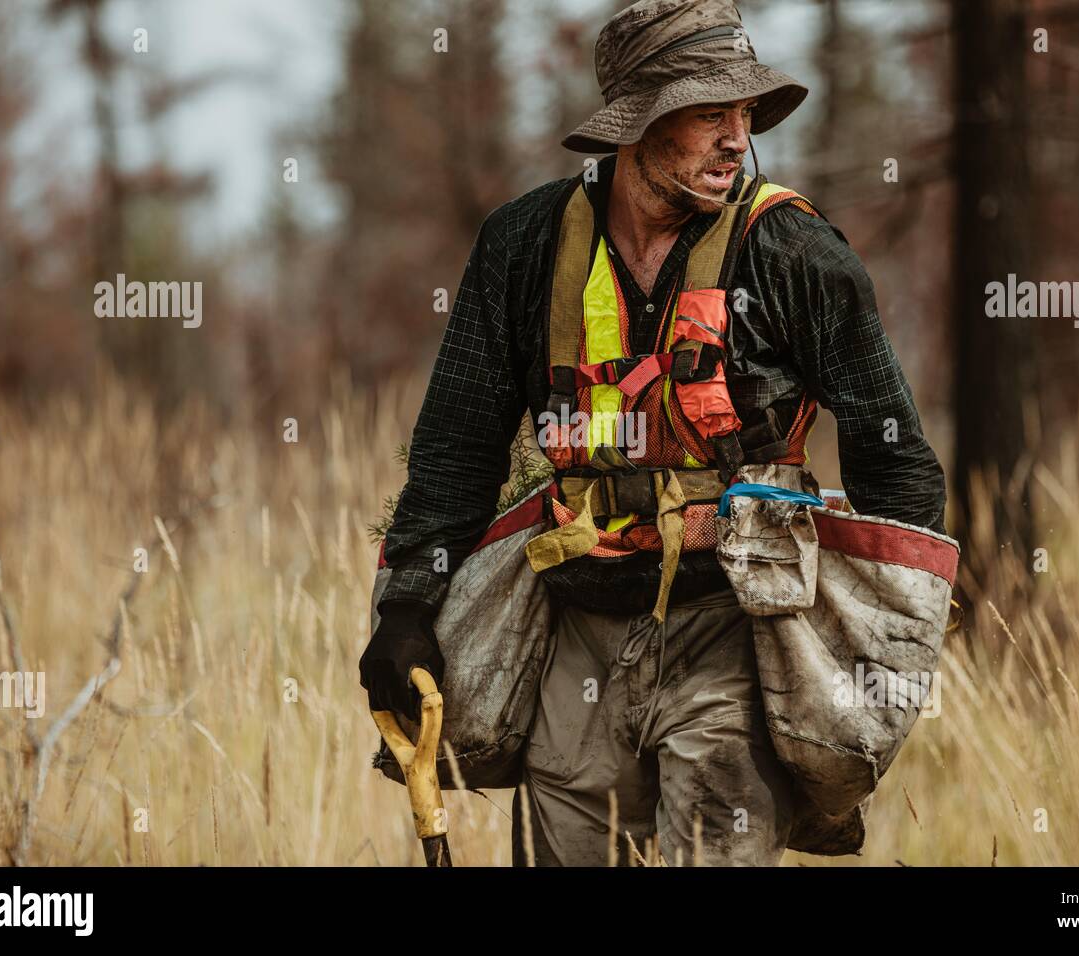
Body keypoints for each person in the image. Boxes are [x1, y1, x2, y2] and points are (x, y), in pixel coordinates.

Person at [360, 0, 947, 866]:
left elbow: (897, 460)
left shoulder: (792, 251)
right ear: (637, 121)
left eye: (745, 116)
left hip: (734, 630)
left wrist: (879, 641)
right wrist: (407, 608)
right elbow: (457, 447)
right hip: (575, 627)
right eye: (712, 113)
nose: (737, 140)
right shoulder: (522, 245)